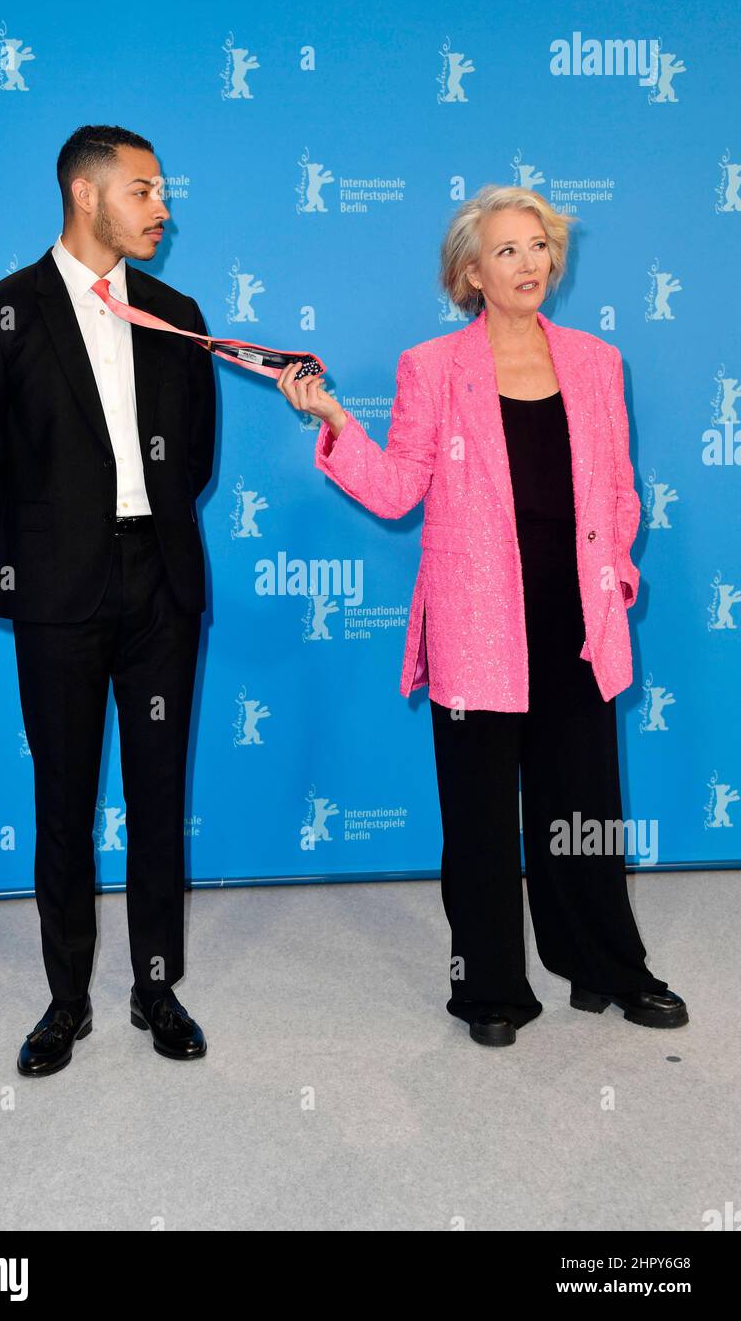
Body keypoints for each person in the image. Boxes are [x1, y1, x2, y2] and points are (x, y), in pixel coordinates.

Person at [277, 184, 687, 1048]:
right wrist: (333, 418)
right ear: (472, 273)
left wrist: (613, 574)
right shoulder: (433, 368)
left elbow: (618, 489)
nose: (529, 261)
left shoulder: (595, 361)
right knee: (480, 816)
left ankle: (606, 966)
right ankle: (492, 989)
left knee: (584, 805)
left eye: (538, 245)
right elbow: (397, 491)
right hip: (476, 619)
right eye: (507, 250)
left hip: (577, 617)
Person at [0, 124, 215, 1074]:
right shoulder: (2, 312)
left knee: (156, 794)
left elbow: (197, 459)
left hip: (162, 589)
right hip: (58, 594)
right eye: (143, 190)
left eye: (162, 190)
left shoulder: (176, 313)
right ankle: (66, 1002)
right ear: (85, 194)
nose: (162, 207)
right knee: (62, 800)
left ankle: (155, 988)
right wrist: (39, 556)